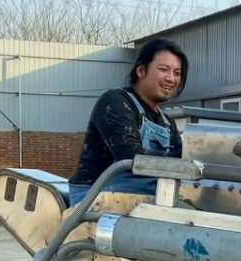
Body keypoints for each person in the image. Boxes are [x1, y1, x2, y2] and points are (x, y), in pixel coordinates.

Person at [67, 38, 188, 206]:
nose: (171, 78)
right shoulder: (115, 101)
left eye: (177, 73)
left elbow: (181, 161)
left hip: (144, 195)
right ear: (141, 70)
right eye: (164, 70)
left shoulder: (167, 123)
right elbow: (130, 155)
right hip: (93, 198)